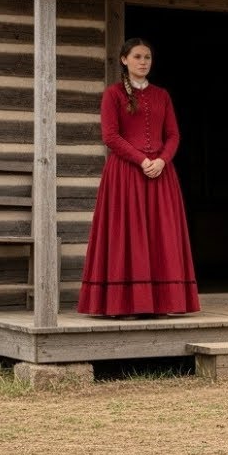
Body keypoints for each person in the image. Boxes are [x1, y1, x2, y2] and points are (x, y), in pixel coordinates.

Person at [79, 38, 199, 317]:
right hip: (125, 175)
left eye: (147, 57)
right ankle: (125, 304)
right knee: (127, 234)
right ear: (124, 60)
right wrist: (142, 159)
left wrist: (161, 160)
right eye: (137, 56)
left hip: (160, 174)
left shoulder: (162, 95)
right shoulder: (113, 94)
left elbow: (173, 135)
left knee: (161, 233)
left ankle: (163, 302)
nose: (143, 61)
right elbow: (110, 136)